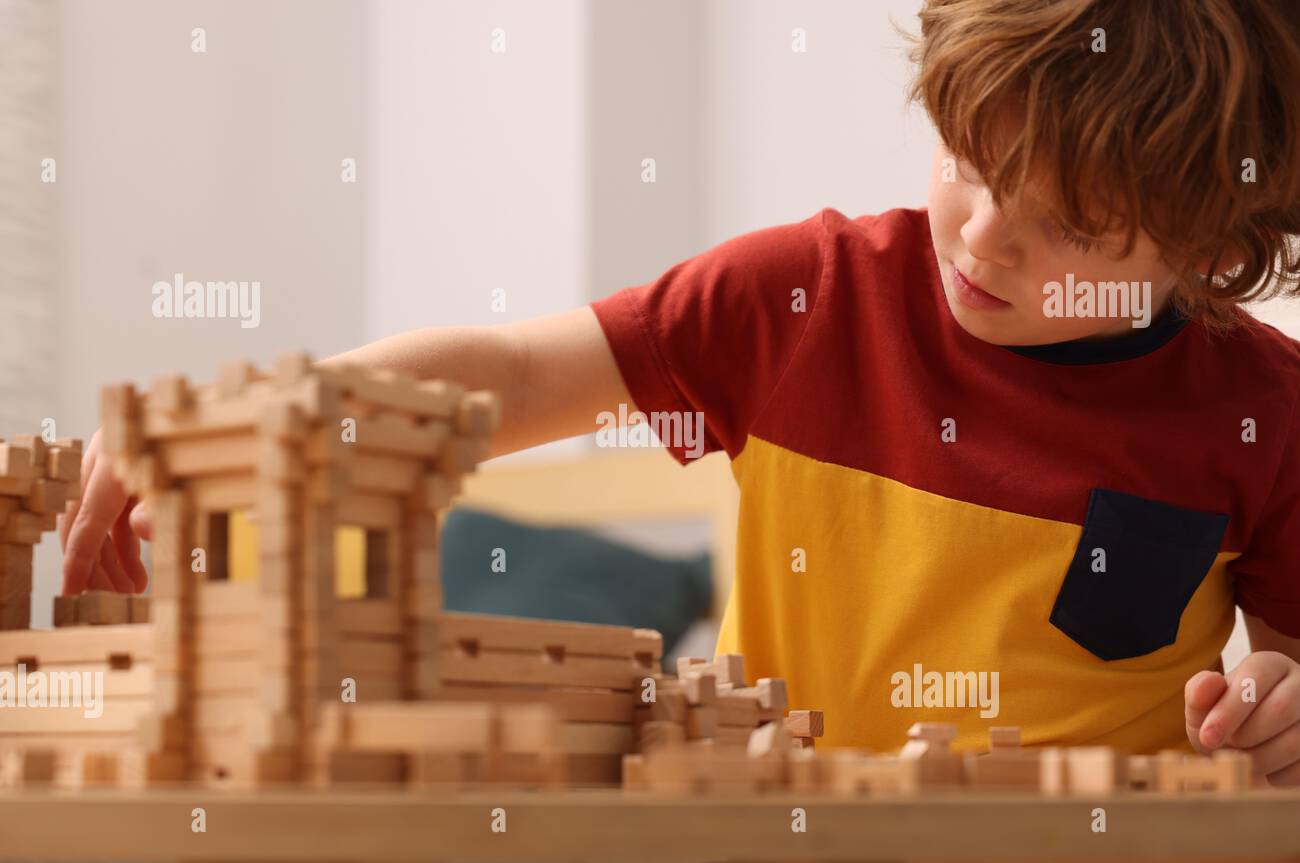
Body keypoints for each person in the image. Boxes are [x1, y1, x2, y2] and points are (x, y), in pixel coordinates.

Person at [60, 0, 1300, 783]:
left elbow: (1281, 682)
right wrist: (249, 416)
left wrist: (1274, 710)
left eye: (1069, 226)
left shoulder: (1265, 413)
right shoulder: (799, 299)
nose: (982, 239)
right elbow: (512, 374)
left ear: (1210, 237)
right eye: (969, 164)